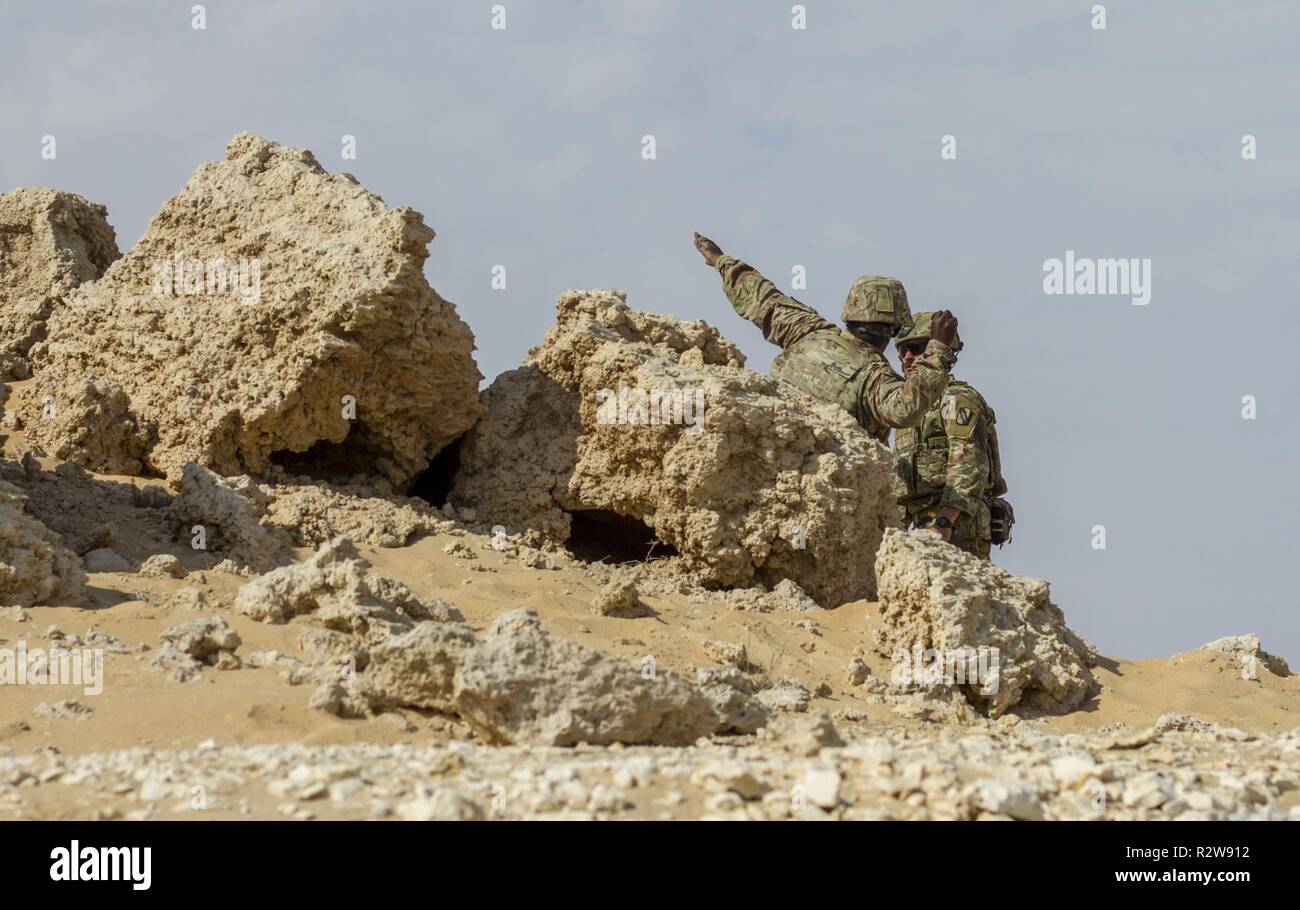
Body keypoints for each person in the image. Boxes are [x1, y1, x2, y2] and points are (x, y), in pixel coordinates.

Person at [693, 232, 957, 443]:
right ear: (895, 328)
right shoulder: (874, 378)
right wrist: (938, 350)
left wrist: (720, 260)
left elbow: (761, 297)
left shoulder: (807, 330)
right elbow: (904, 410)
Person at [891, 313, 1010, 558]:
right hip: (920, 528)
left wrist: (944, 523)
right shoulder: (908, 410)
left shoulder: (955, 399)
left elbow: (969, 465)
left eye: (916, 348)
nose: (908, 358)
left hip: (957, 527)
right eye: (902, 351)